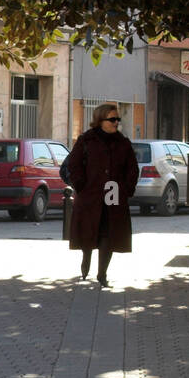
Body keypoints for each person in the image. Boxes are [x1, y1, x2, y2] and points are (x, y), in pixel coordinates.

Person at [64, 103, 139, 287]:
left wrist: (127, 188)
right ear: (100, 120)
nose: (116, 122)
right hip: (90, 194)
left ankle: (102, 274)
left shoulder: (123, 143)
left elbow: (132, 169)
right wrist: (81, 185)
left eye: (117, 119)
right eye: (112, 119)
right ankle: (86, 257)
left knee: (109, 233)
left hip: (113, 193)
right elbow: (74, 164)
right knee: (89, 230)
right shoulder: (86, 140)